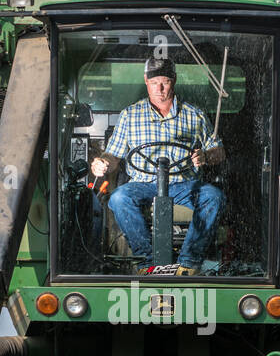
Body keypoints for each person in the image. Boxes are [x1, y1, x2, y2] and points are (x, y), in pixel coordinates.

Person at [92, 57, 225, 275]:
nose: (160, 88)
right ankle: (148, 263)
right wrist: (103, 162)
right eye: (154, 83)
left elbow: (218, 150)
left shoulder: (194, 115)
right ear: (146, 81)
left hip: (184, 184)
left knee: (214, 196)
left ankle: (189, 263)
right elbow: (113, 154)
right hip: (143, 184)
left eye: (165, 82)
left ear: (174, 80)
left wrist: (206, 156)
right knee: (118, 198)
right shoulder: (130, 115)